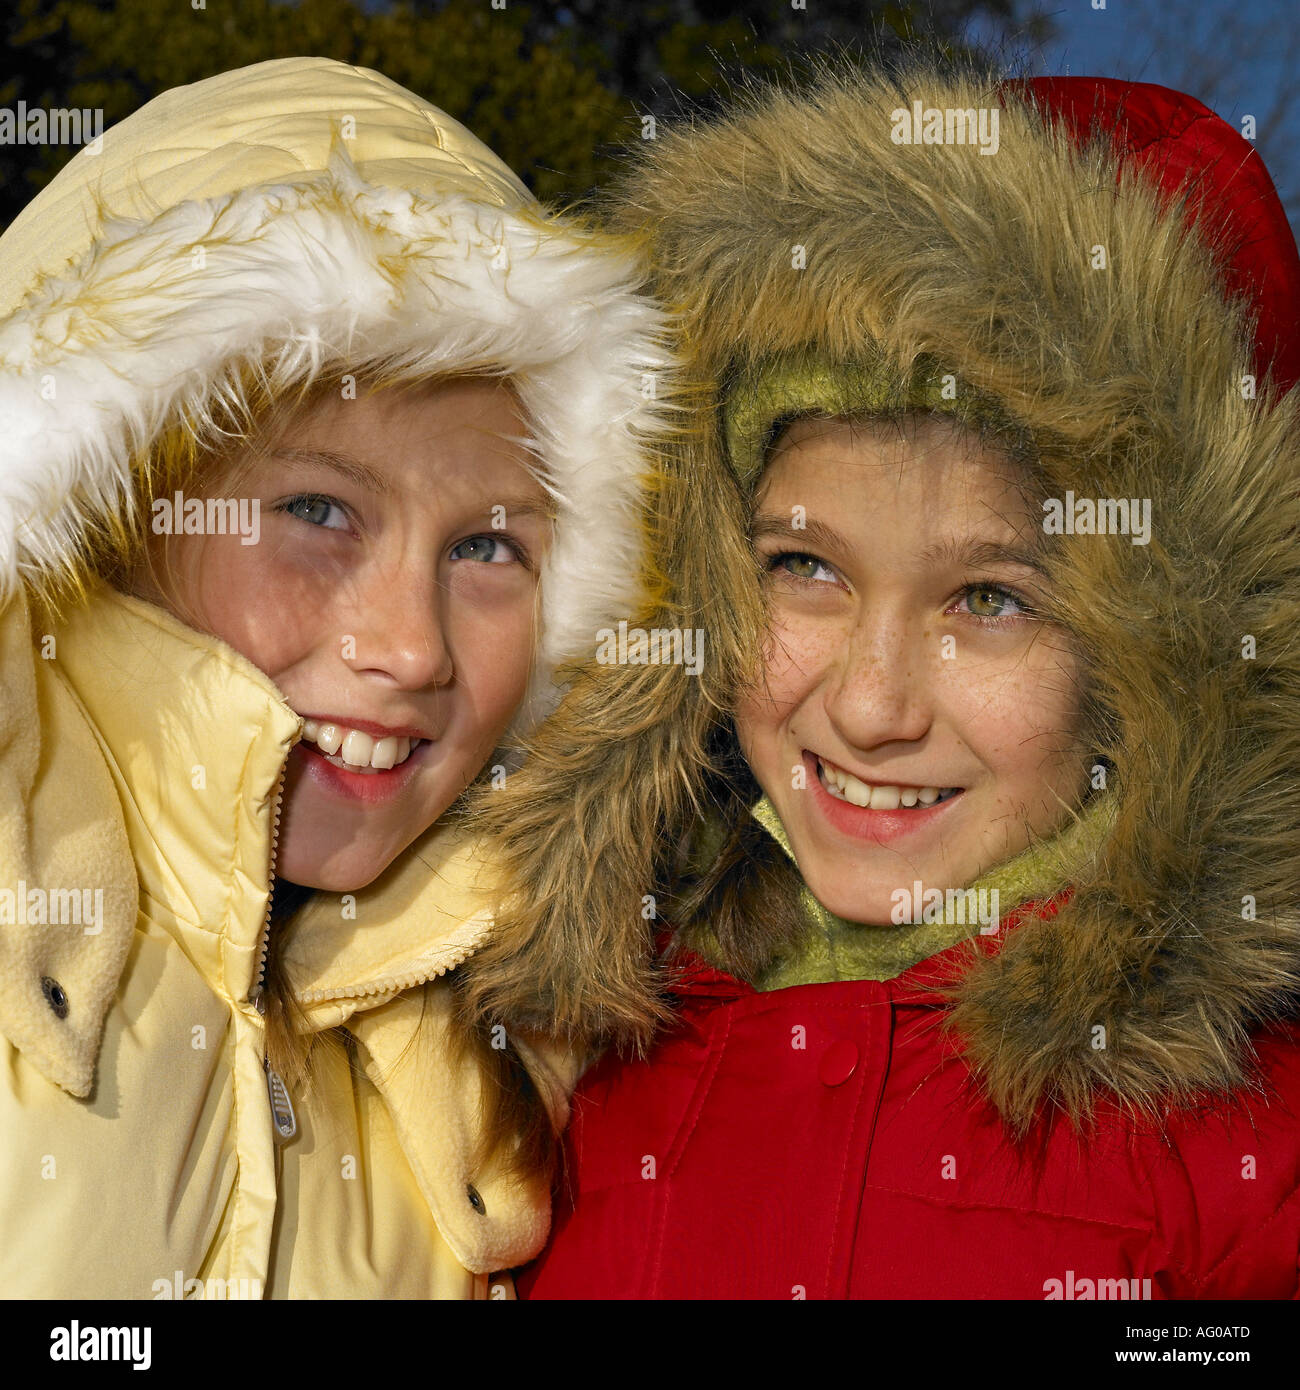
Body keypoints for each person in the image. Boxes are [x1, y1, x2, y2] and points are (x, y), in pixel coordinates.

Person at [510, 63, 1300, 1298]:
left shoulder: (1249, 1150)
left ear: (1161, 669)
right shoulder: (564, 1053)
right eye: (804, 566)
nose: (872, 707)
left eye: (989, 600)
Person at [0, 56, 668, 1299]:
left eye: (487, 547)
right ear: (108, 511)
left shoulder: (512, 1056)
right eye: (317, 509)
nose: (409, 647)